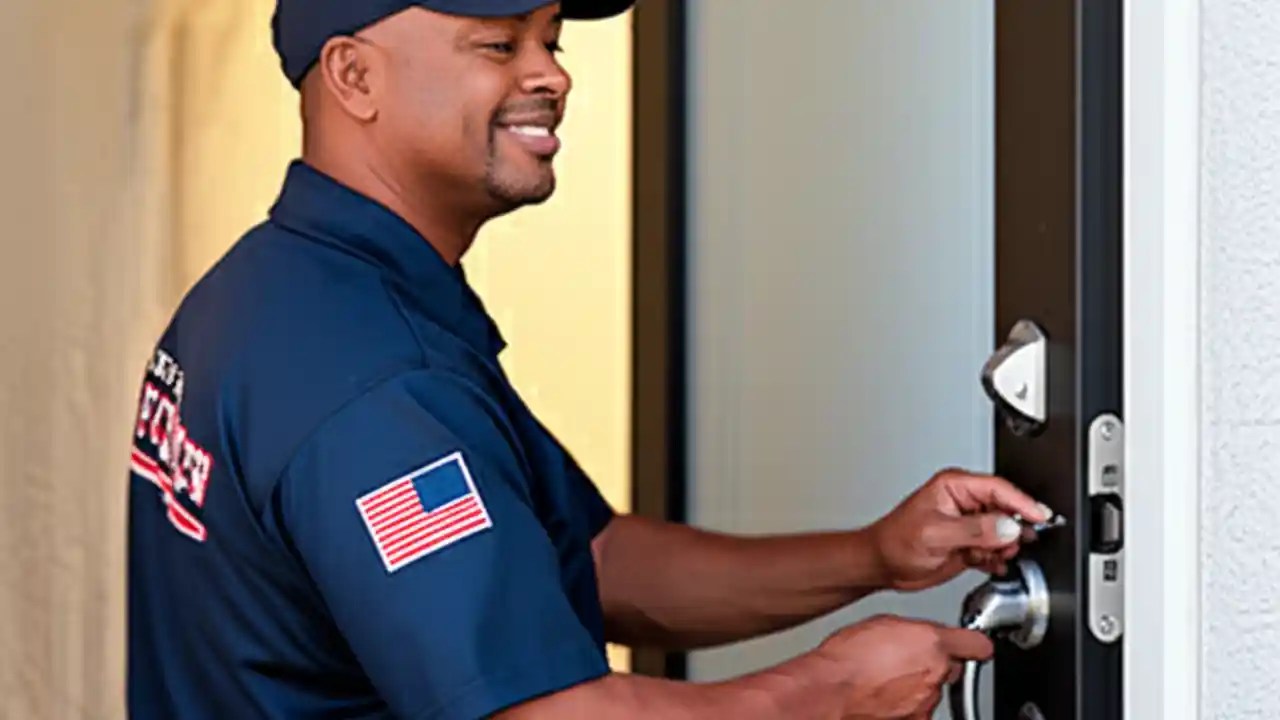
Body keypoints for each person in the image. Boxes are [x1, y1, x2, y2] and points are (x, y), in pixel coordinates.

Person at [124, 0, 1051, 718]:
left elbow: (589, 560)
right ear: (354, 75)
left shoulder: (285, 289)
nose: (550, 76)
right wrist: (830, 692)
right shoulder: (375, 382)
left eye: (551, 40)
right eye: (498, 44)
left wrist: (874, 554)